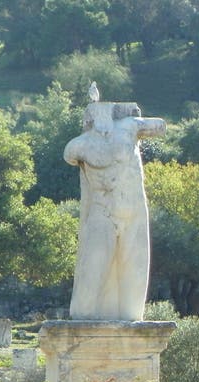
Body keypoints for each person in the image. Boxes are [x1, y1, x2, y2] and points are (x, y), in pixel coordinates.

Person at [64, 99, 166, 321]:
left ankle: (130, 322)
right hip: (104, 212)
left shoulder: (127, 127)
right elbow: (70, 156)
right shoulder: (79, 146)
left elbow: (160, 126)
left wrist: (135, 124)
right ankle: (85, 323)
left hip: (133, 212)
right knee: (92, 273)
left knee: (135, 280)